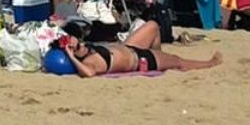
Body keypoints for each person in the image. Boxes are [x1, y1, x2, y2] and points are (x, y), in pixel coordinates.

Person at [57, 19, 223, 76]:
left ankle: (161, 58)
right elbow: (89, 73)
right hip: (140, 60)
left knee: (152, 26)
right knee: (178, 61)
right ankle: (210, 63)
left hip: (129, 47)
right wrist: (71, 56)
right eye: (76, 47)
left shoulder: (86, 48)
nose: (81, 44)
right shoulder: (89, 62)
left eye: (78, 40)